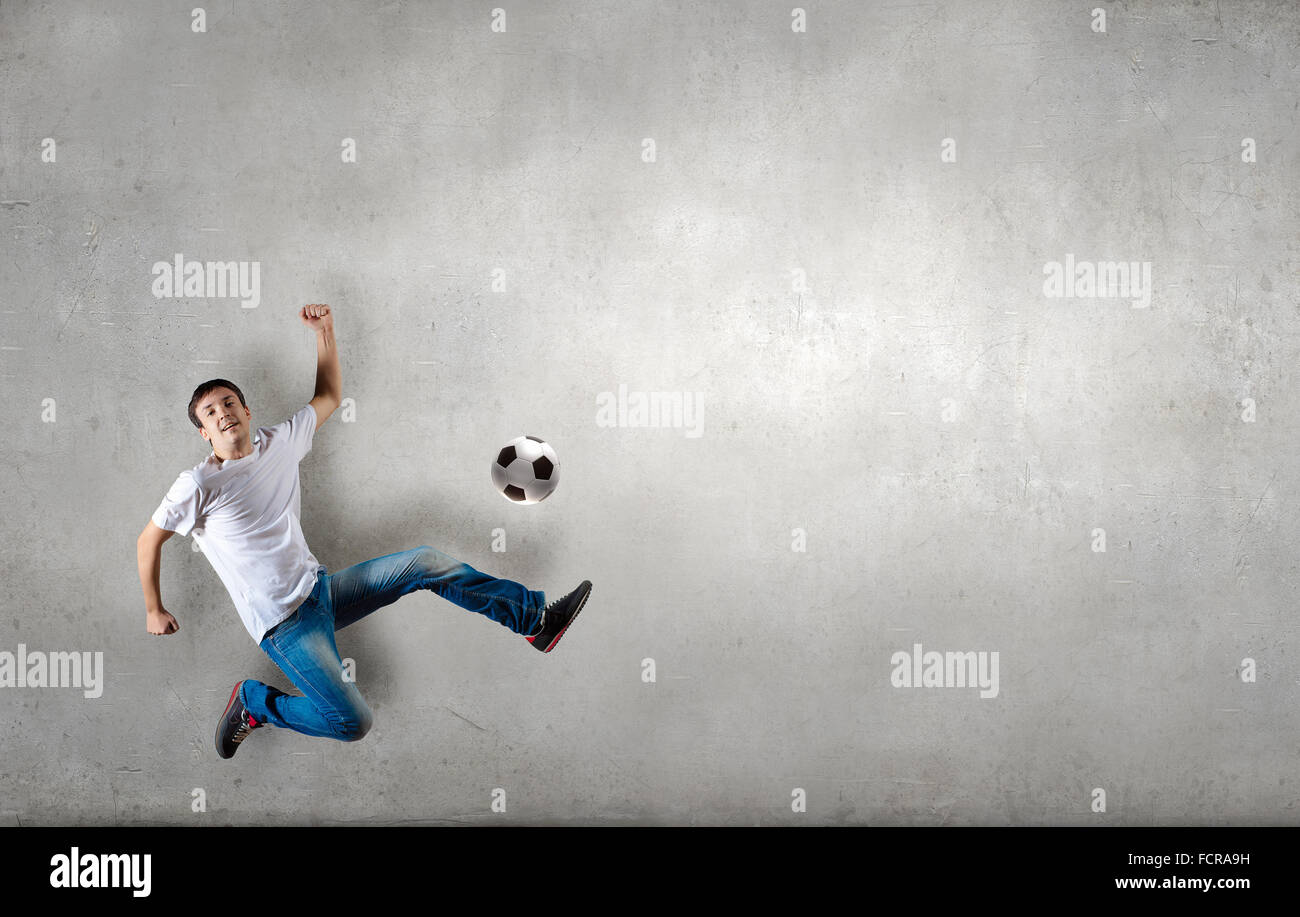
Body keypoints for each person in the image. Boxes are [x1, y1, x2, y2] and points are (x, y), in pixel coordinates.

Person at [135, 303, 591, 759]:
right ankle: (256, 704)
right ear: (204, 433)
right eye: (210, 412)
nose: (223, 413)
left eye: (229, 403)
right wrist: (155, 609)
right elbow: (148, 540)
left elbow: (329, 396)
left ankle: (535, 622)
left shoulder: (279, 442)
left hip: (322, 592)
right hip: (284, 626)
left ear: (247, 410)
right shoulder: (197, 485)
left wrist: (325, 331)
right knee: (353, 723)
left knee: (425, 562)